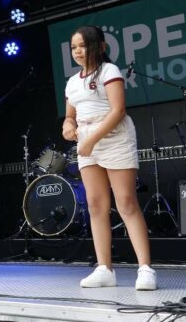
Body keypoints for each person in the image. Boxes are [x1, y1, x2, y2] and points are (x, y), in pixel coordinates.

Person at [63, 25, 156, 290]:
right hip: (87, 137)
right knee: (95, 205)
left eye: (82, 45)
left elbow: (118, 110)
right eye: (74, 47)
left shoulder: (109, 71)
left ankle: (146, 269)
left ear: (99, 46)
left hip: (113, 136)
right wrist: (68, 126)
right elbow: (70, 115)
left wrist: (91, 140)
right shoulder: (72, 81)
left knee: (126, 202)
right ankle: (105, 268)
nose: (78, 51)